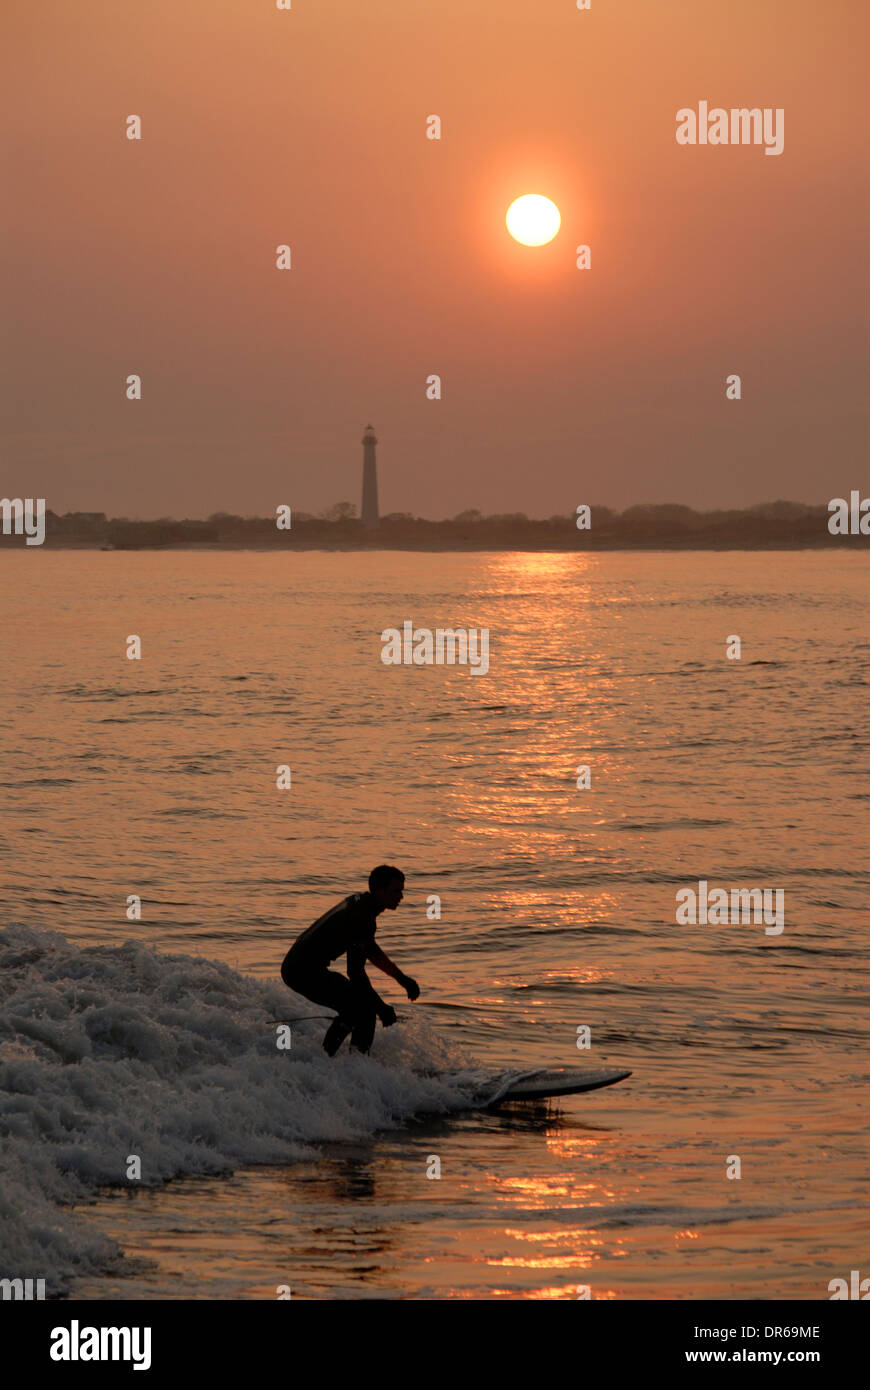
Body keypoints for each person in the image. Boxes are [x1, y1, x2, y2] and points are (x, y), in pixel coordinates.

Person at [281, 865, 420, 1056]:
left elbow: (371, 950)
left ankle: (329, 1058)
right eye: (396, 891)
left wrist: (402, 979)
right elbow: (355, 972)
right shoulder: (362, 917)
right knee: (365, 1012)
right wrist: (381, 1007)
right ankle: (349, 1063)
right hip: (302, 971)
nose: (401, 897)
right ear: (380, 890)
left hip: (300, 967)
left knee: (356, 1008)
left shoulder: (362, 904)